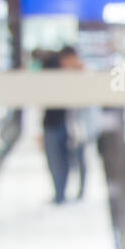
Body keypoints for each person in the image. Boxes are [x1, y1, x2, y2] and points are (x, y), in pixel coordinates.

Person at [41, 46, 81, 204]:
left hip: (65, 124)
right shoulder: (53, 71)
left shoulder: (69, 71)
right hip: (52, 125)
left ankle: (61, 194)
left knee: (63, 162)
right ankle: (59, 194)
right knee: (56, 162)